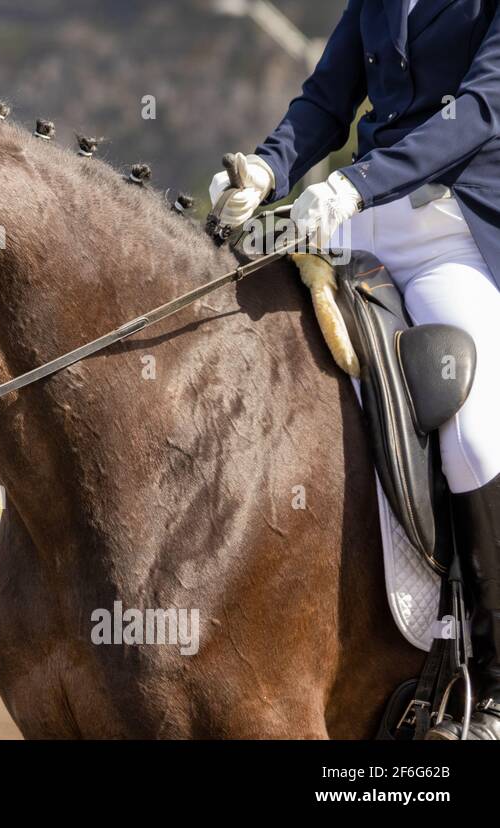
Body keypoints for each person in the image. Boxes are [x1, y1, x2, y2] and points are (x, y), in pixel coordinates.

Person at [209, 0, 500, 738]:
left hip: (453, 230)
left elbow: (479, 109)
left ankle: (493, 681)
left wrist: (353, 183)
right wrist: (267, 168)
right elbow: (326, 97)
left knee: (470, 435)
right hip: (362, 225)